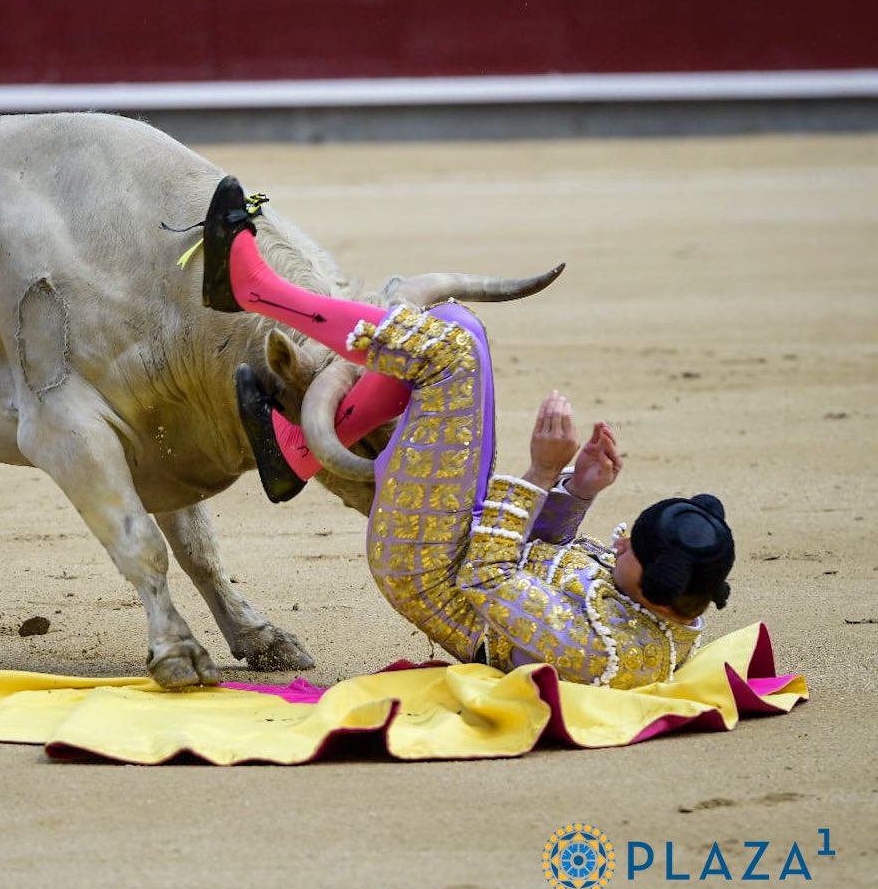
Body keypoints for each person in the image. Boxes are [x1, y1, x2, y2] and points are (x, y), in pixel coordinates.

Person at [198, 176, 735, 689]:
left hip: (429, 570)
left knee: (448, 355)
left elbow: (487, 576)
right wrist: (578, 490)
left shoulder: (601, 652)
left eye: (630, 549)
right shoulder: (662, 604)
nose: (619, 540)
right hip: (464, 543)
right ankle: (296, 451)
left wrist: (542, 472)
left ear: (658, 586)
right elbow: (547, 552)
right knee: (459, 325)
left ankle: (256, 290)